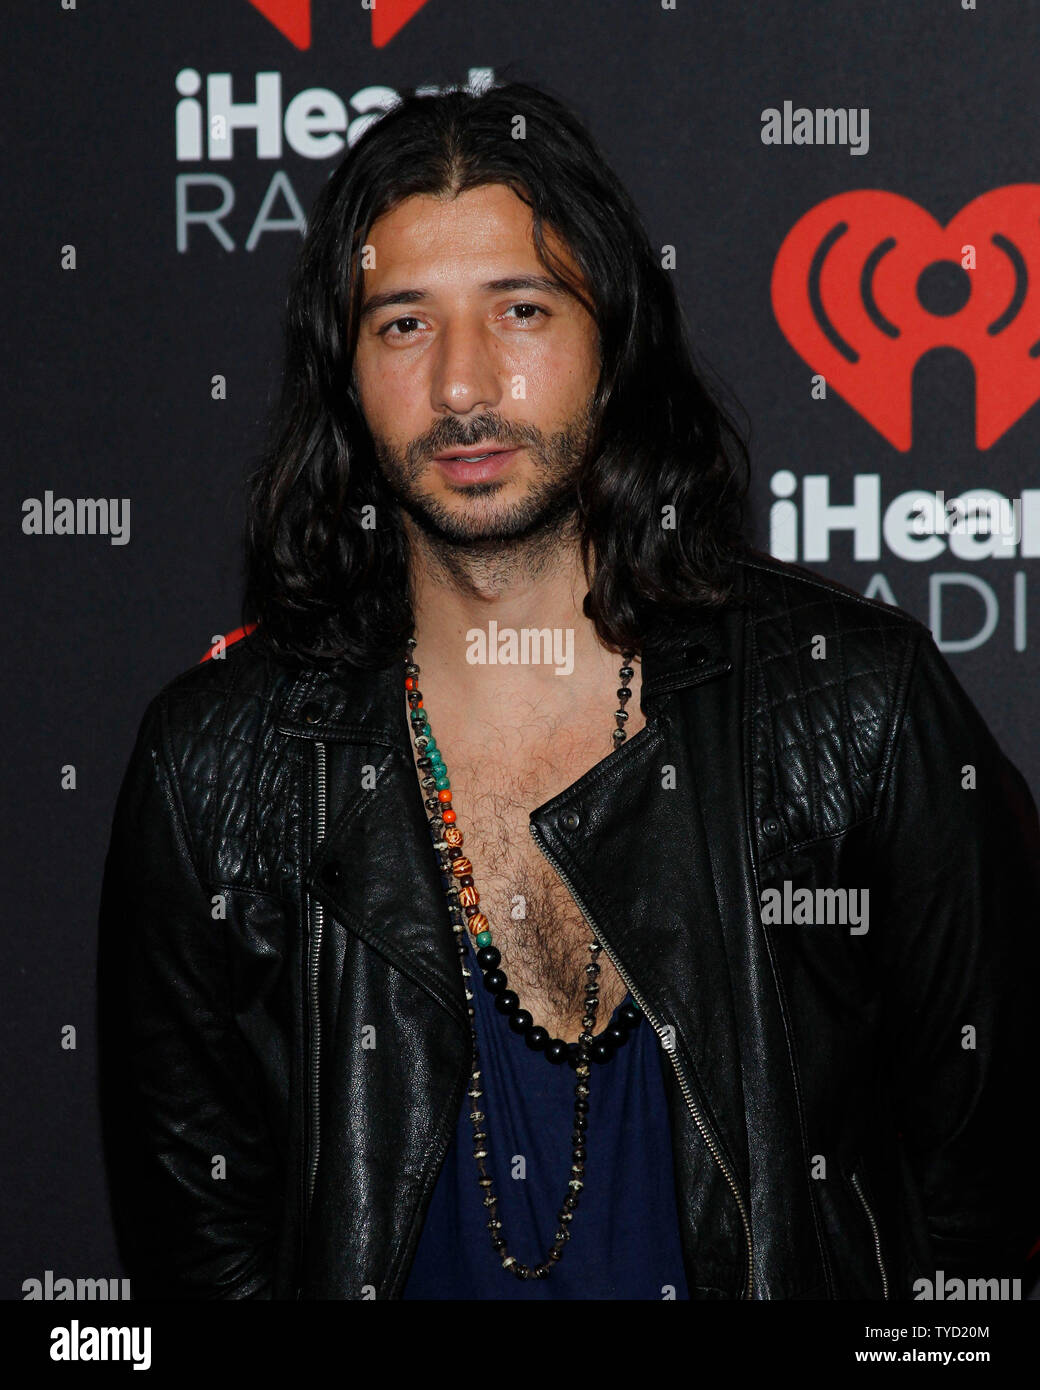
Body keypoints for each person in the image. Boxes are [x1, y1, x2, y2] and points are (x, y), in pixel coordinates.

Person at [97, 80, 1040, 1301]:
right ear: (342, 373)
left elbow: (987, 1188)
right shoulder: (219, 770)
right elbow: (198, 1254)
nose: (460, 387)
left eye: (521, 309)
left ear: (613, 341)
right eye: (401, 325)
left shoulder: (846, 705)